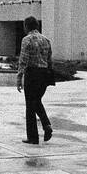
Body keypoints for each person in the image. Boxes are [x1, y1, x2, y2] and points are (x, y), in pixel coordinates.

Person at [15, 15, 54, 144]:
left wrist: (19, 77)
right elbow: (49, 60)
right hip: (44, 74)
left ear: (26, 27)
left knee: (30, 106)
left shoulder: (26, 40)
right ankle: (46, 125)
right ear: (37, 26)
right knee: (36, 101)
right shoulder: (46, 40)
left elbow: (23, 60)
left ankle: (33, 137)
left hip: (32, 74)